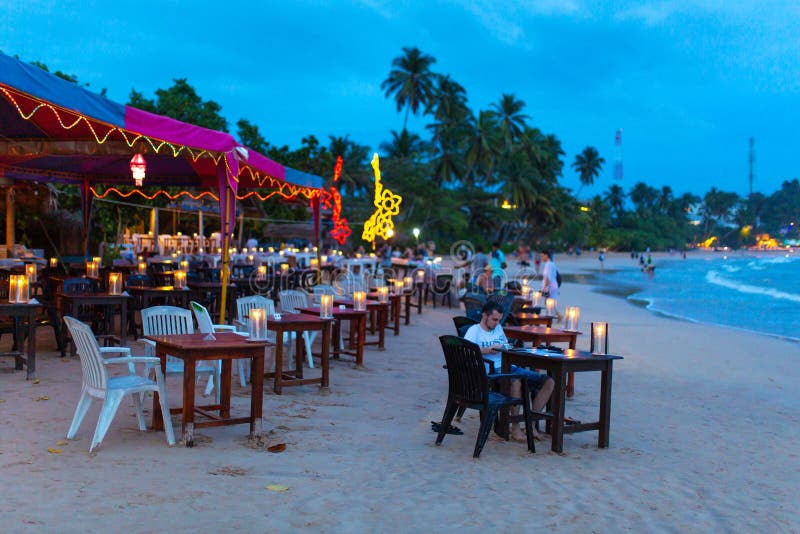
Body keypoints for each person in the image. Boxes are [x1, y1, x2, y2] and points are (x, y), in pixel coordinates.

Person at [463, 301, 554, 441]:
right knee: (515, 381)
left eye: (499, 320)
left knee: (548, 381)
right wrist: (488, 350)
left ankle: (532, 426)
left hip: (508, 366)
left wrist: (507, 346)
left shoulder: (498, 328)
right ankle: (515, 428)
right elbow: (466, 351)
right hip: (491, 372)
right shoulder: (474, 331)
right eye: (494, 319)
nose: (497, 323)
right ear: (484, 316)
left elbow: (506, 344)